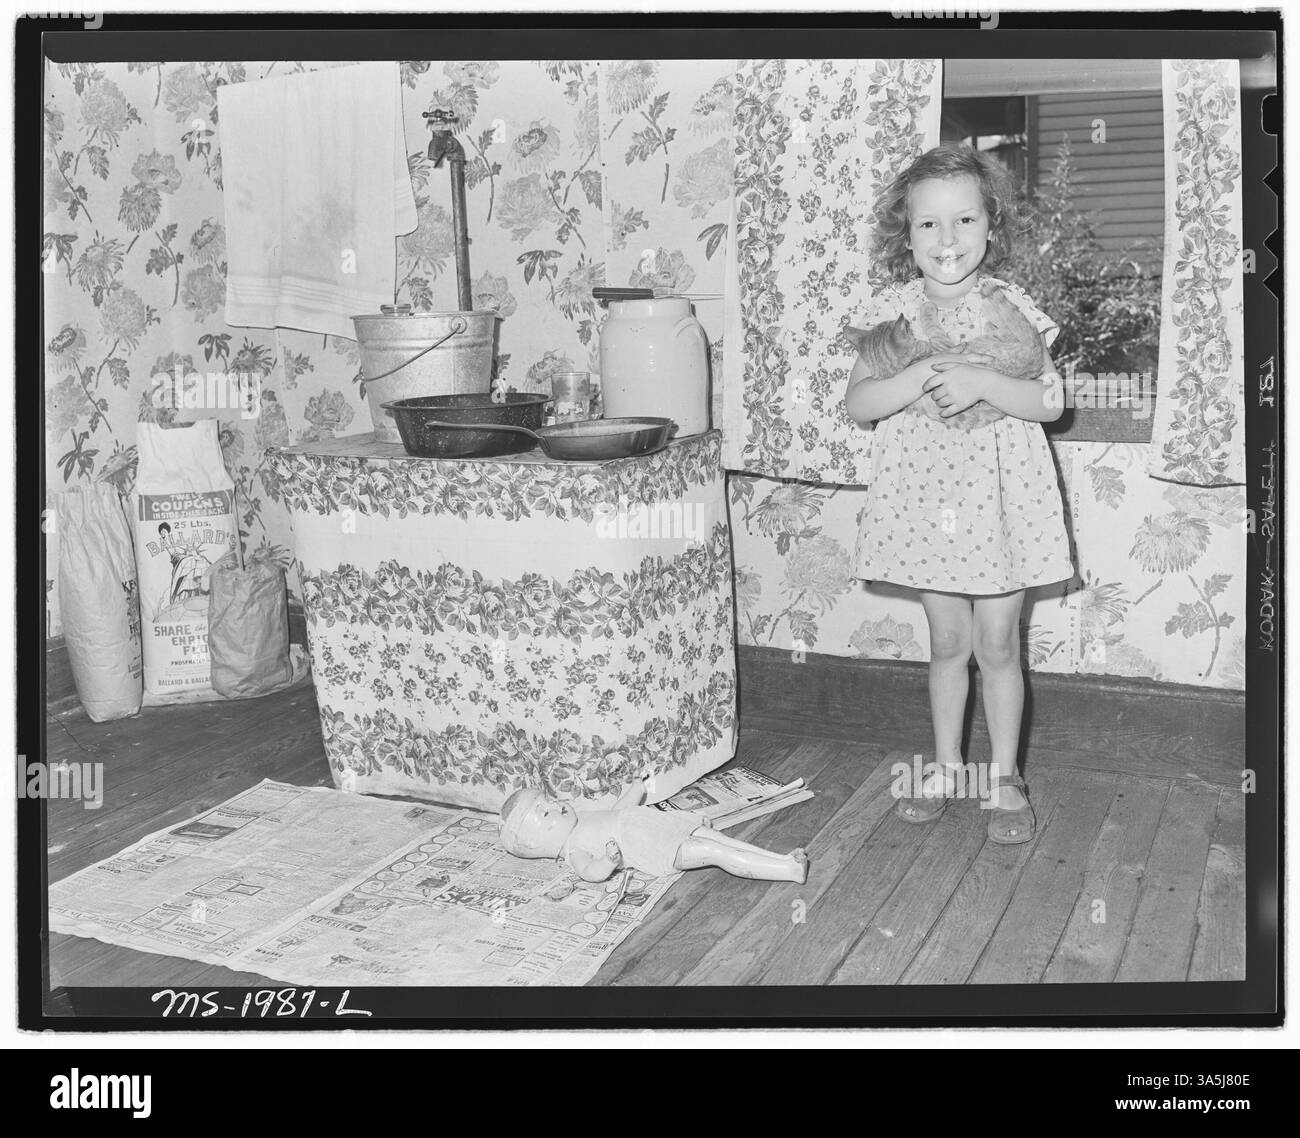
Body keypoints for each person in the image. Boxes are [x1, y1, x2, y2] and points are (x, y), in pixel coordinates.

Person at [843, 143, 1074, 844]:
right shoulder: (894, 317)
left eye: (965, 221)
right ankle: (947, 767)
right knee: (947, 639)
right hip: (926, 502)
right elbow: (859, 404)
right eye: (928, 225)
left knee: (998, 643)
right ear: (904, 234)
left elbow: (1048, 405)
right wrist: (916, 377)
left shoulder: (1012, 311)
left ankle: (1004, 777)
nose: (948, 241)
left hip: (1001, 500)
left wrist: (982, 384)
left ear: (990, 225)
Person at [497, 786, 809, 883]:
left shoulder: (584, 818)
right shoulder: (574, 849)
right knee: (713, 852)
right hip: (650, 847)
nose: (555, 804)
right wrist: (607, 861)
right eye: (545, 812)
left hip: (660, 825)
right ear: (539, 844)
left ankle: (780, 858)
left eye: (547, 799)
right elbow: (590, 873)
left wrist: (635, 790)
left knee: (721, 840)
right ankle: (786, 870)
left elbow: (619, 811)